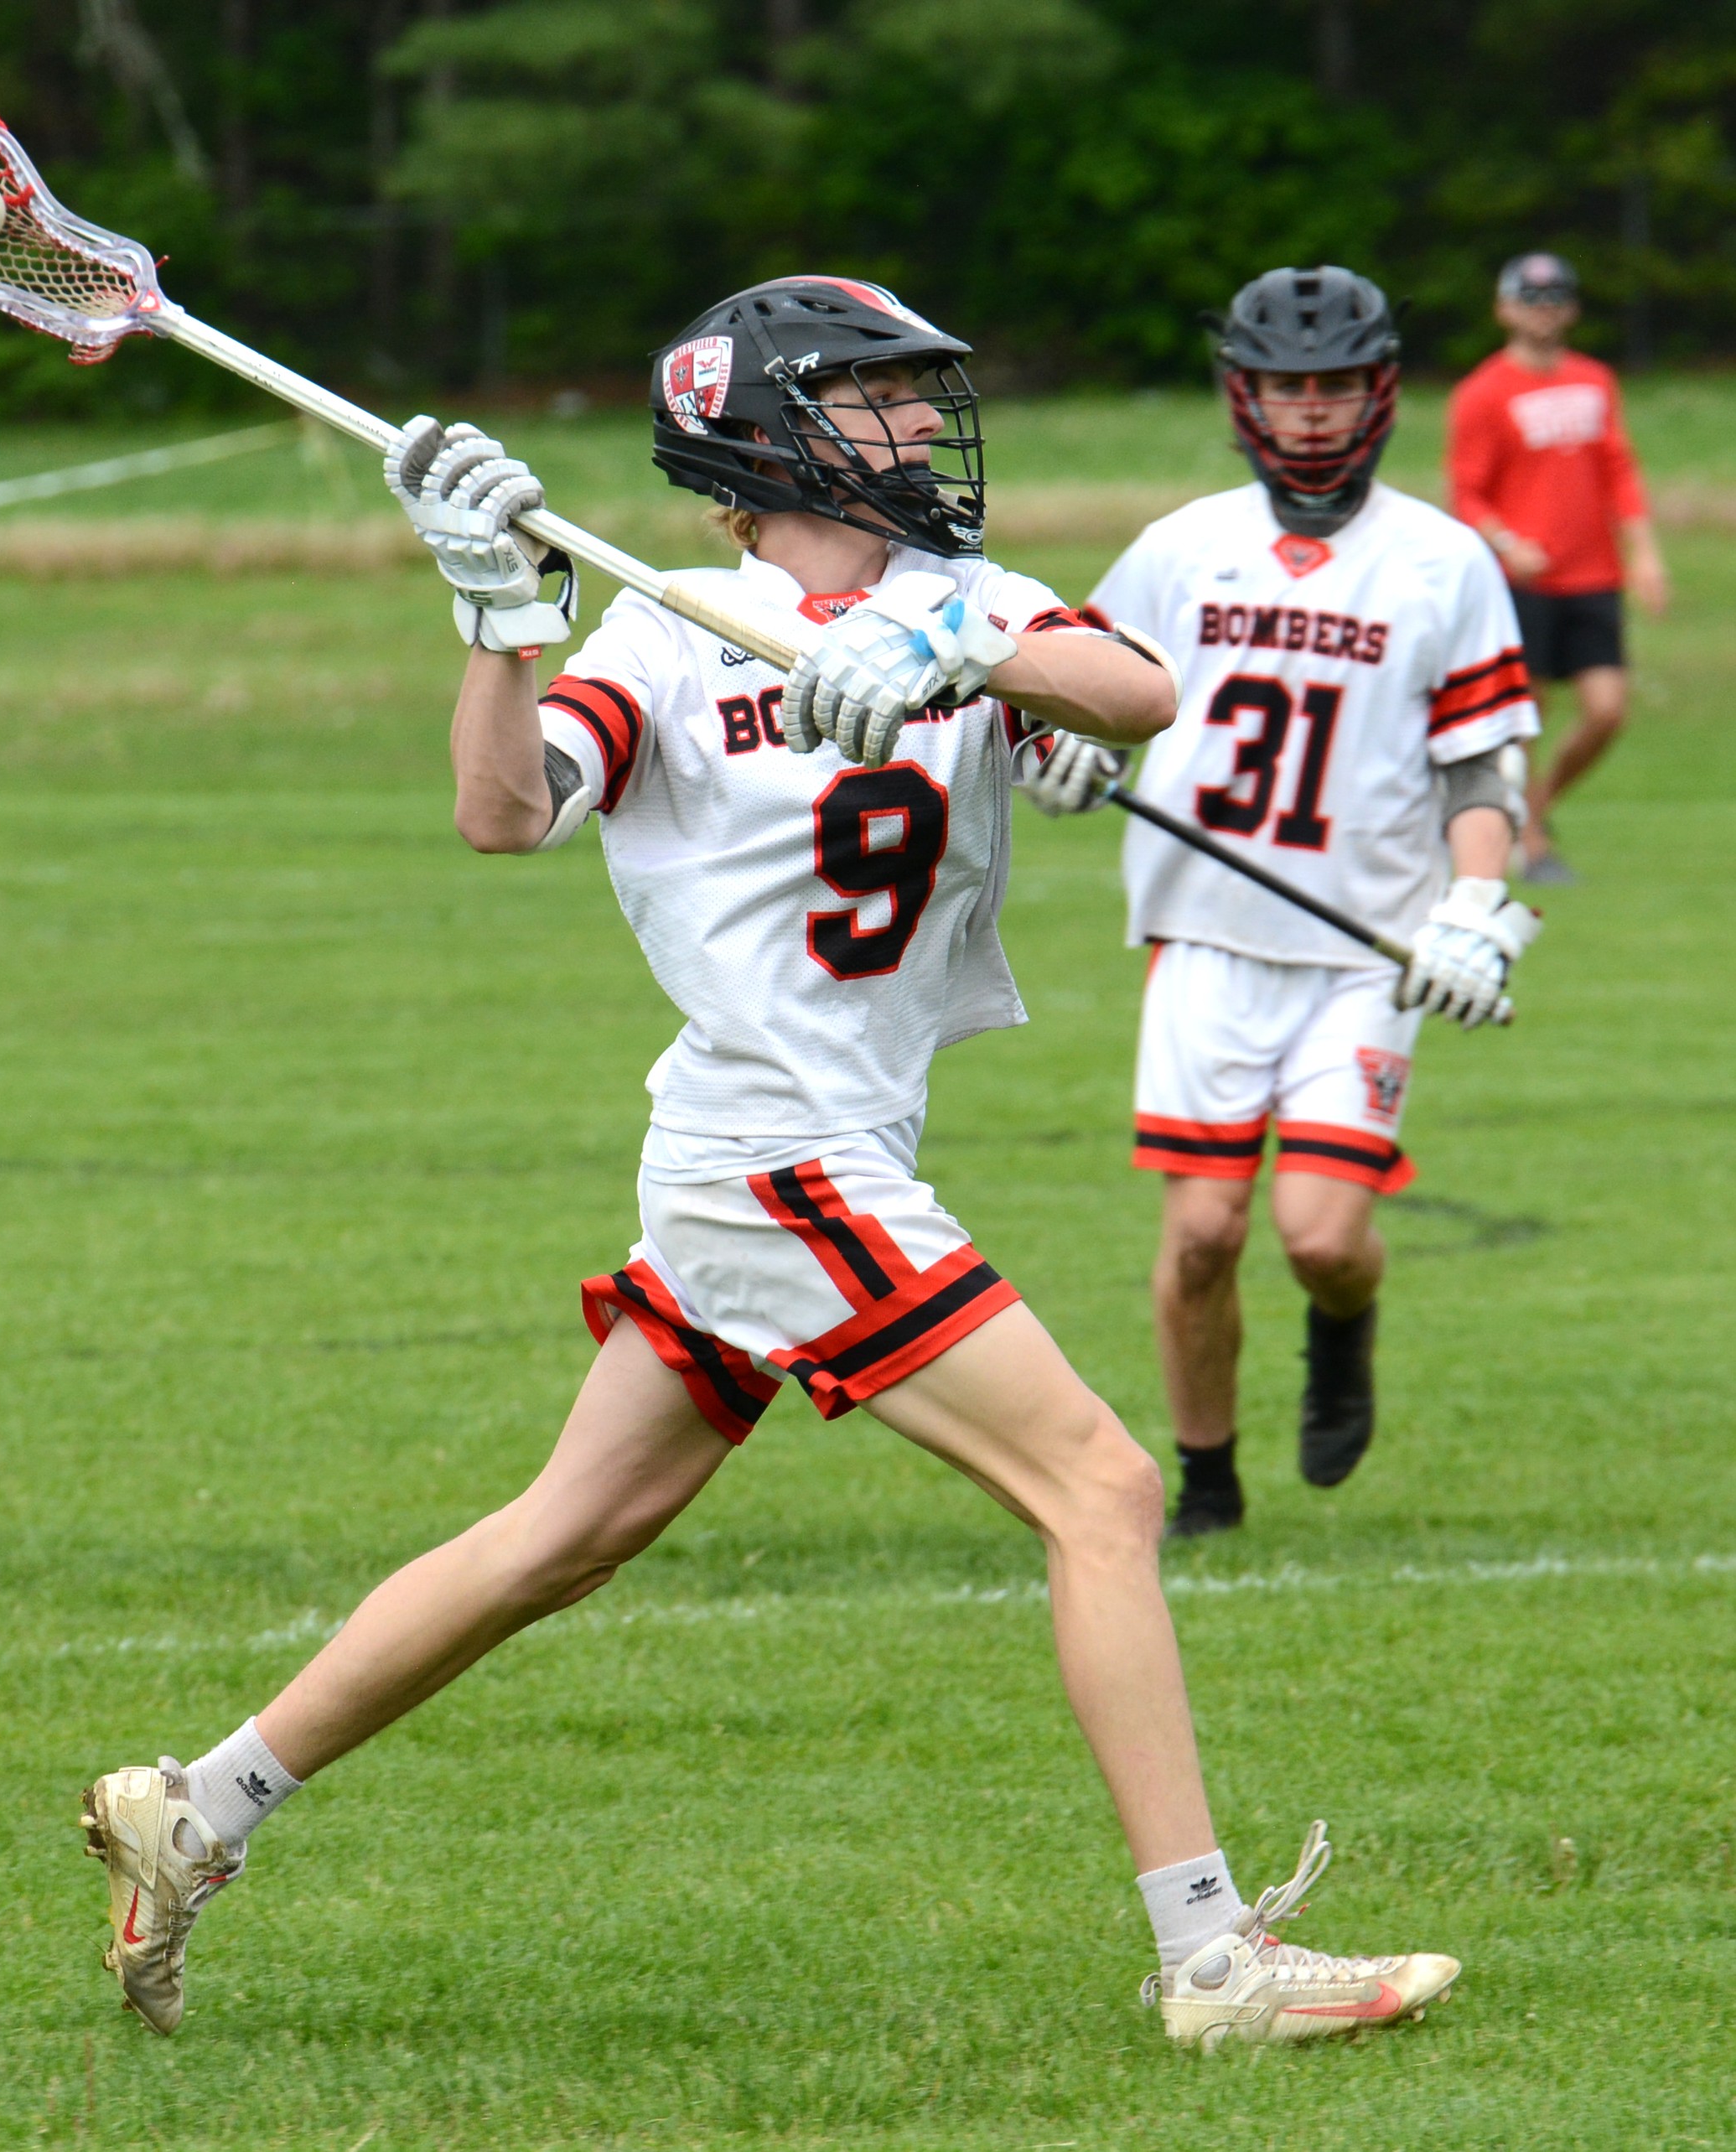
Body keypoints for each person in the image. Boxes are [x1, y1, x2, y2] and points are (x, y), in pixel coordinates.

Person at [80, 276, 1460, 2050]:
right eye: (879, 401)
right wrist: (497, 623)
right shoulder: (666, 631)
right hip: (771, 1152)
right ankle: (1209, 1959)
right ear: (774, 433)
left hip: (819, 1139)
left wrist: (972, 660)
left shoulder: (956, 599)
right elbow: (503, 809)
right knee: (1103, 1489)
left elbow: (1134, 687)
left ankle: (197, 1806)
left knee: (562, 1535)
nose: (918, 429)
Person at [1020, 265, 1542, 1538]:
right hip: (1204, 935)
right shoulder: (1180, 547)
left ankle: (1342, 1327)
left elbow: (1476, 764)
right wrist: (1059, 746)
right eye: (1282, 387)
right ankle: (1206, 1477)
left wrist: (1476, 901)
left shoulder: (1439, 559)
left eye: (1331, 386)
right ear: (1241, 393)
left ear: (1378, 392)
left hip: (1364, 948)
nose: (1307, 412)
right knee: (1200, 1232)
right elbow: (1067, 682)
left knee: (1318, 1236)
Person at [1446, 251, 1667, 884]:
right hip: (1524, 580)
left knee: (1607, 709)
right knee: (1527, 713)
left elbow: (1619, 471)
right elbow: (1466, 491)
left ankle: (1535, 806)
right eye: (1529, 299)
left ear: (1570, 308)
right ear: (1504, 308)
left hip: (1593, 573)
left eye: (1554, 299)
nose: (1543, 311)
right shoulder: (1483, 393)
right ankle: (1530, 840)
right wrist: (1505, 542)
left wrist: (1644, 552)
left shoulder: (1594, 381)